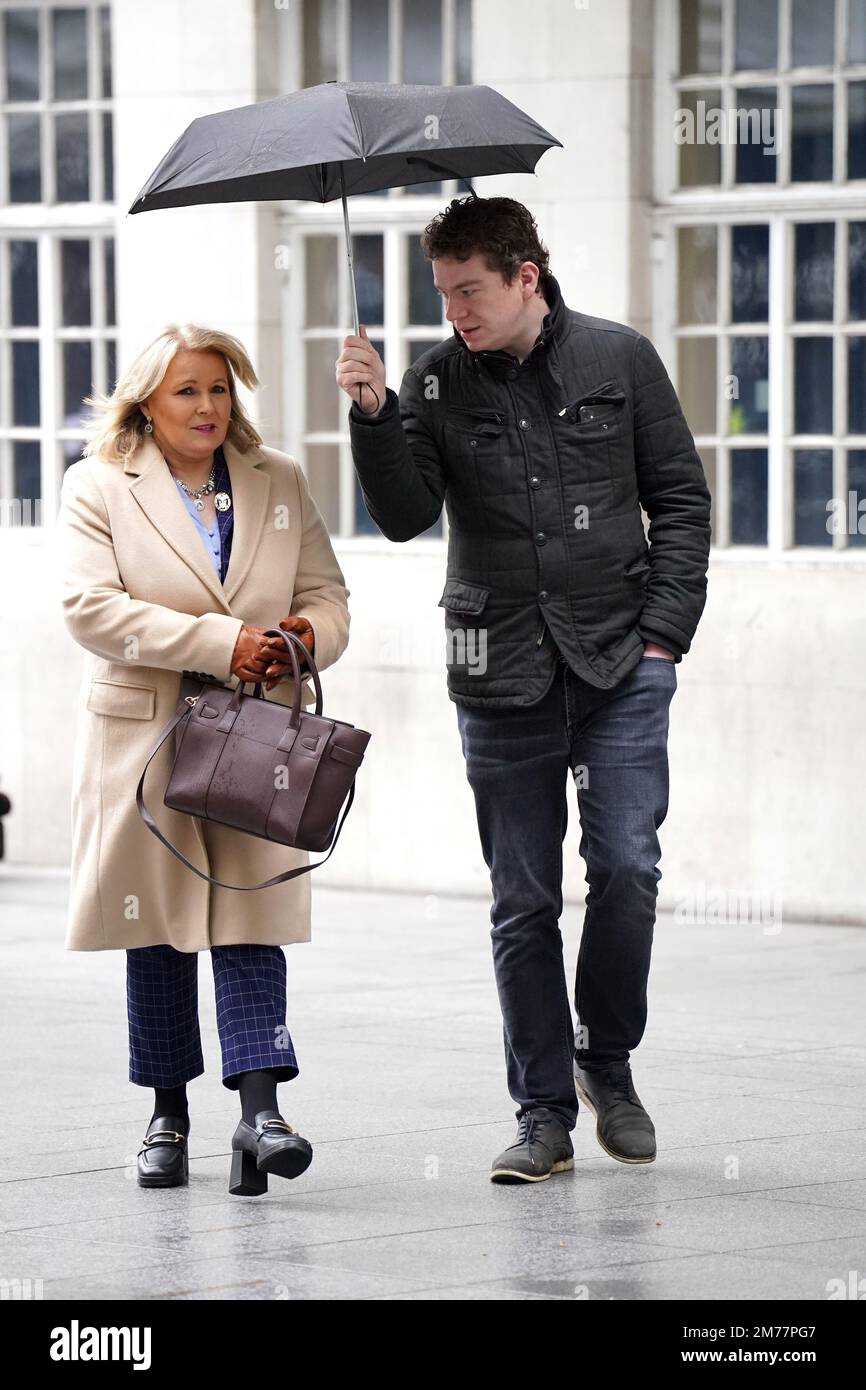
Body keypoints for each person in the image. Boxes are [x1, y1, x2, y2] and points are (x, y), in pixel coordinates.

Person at [336, 196, 711, 1184]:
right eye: (442, 293)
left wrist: (663, 639)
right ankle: (542, 1113)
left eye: (469, 291)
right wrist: (373, 415)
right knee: (522, 900)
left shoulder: (618, 359)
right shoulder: (432, 380)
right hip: (496, 666)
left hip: (620, 661)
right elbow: (404, 515)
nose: (453, 310)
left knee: (627, 868)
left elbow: (679, 498)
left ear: (524, 278)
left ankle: (605, 1059)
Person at [57, 323, 350, 1197]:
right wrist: (225, 643)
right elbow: (90, 608)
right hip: (145, 741)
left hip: (257, 737)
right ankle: (167, 1119)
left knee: (251, 917)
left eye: (219, 389)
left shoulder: (278, 478)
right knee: (159, 928)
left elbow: (328, 596)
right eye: (187, 390)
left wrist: (305, 636)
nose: (207, 406)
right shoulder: (97, 484)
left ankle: (261, 1115)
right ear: (146, 401)